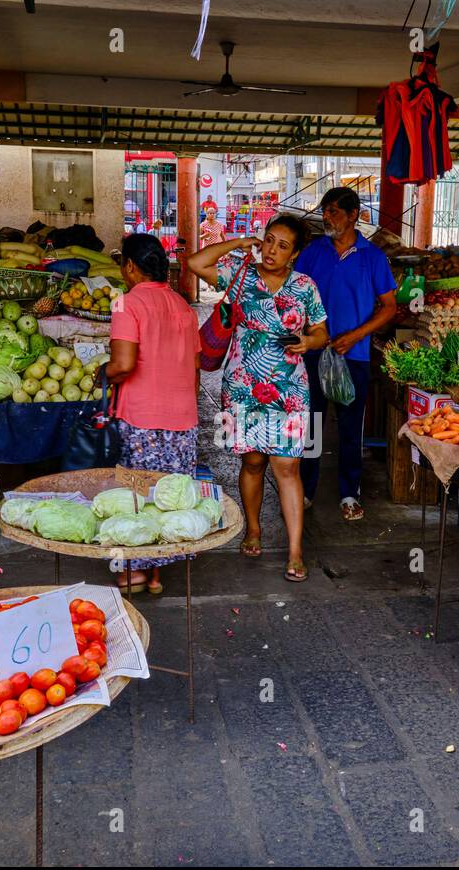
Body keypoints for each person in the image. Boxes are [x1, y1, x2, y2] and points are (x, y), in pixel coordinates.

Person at [187, 215, 329, 583]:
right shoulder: (241, 275)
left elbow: (322, 333)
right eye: (268, 240)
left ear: (295, 254)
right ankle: (253, 529)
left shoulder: (305, 287)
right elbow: (195, 263)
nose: (271, 250)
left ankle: (296, 550)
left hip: (291, 388)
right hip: (241, 386)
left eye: (282, 246)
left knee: (288, 467)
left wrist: (309, 342)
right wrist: (238, 244)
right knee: (251, 463)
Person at [104, 233, 200, 595]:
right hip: (182, 418)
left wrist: (103, 372)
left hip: (141, 418)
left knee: (135, 493)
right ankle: (159, 573)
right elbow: (195, 367)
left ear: (130, 266)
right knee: (169, 495)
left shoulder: (124, 303)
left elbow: (123, 365)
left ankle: (134, 572)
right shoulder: (183, 305)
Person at [294, 186, 396, 522]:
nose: (327, 216)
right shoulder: (312, 252)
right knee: (312, 425)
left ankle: (350, 492)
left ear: (354, 215)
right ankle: (305, 491)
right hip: (313, 352)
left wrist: (355, 335)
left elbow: (389, 308)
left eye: (334, 211)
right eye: (325, 210)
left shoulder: (372, 257)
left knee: (352, 429)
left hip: (354, 356)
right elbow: (295, 296)